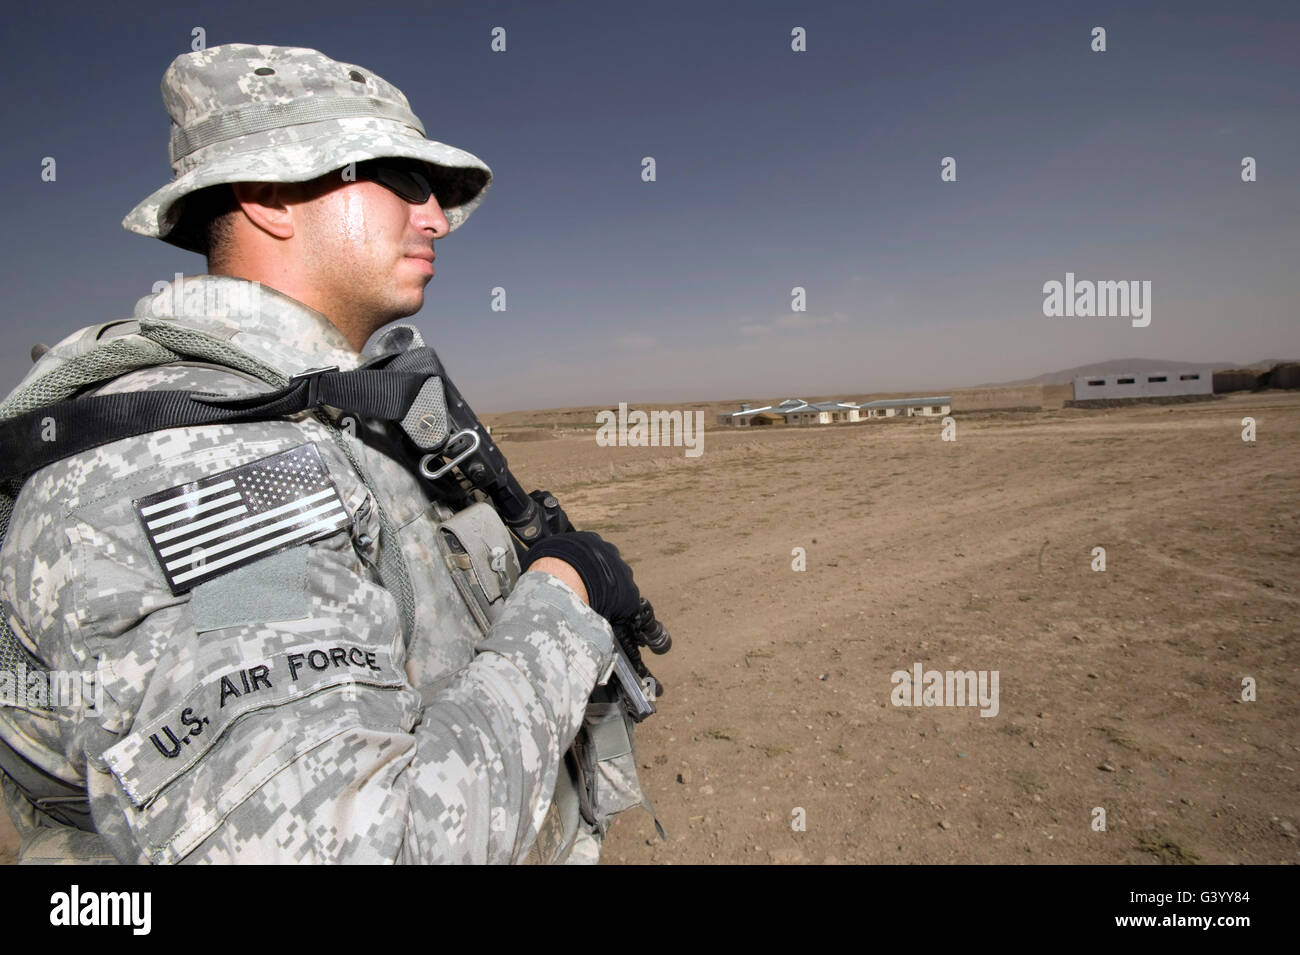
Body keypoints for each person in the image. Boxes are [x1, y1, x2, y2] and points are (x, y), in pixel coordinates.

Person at [0, 43, 648, 864]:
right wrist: (564, 594)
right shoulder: (196, 458)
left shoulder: (302, 418)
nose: (436, 217)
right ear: (270, 194)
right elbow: (379, 845)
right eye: (403, 180)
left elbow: (288, 602)